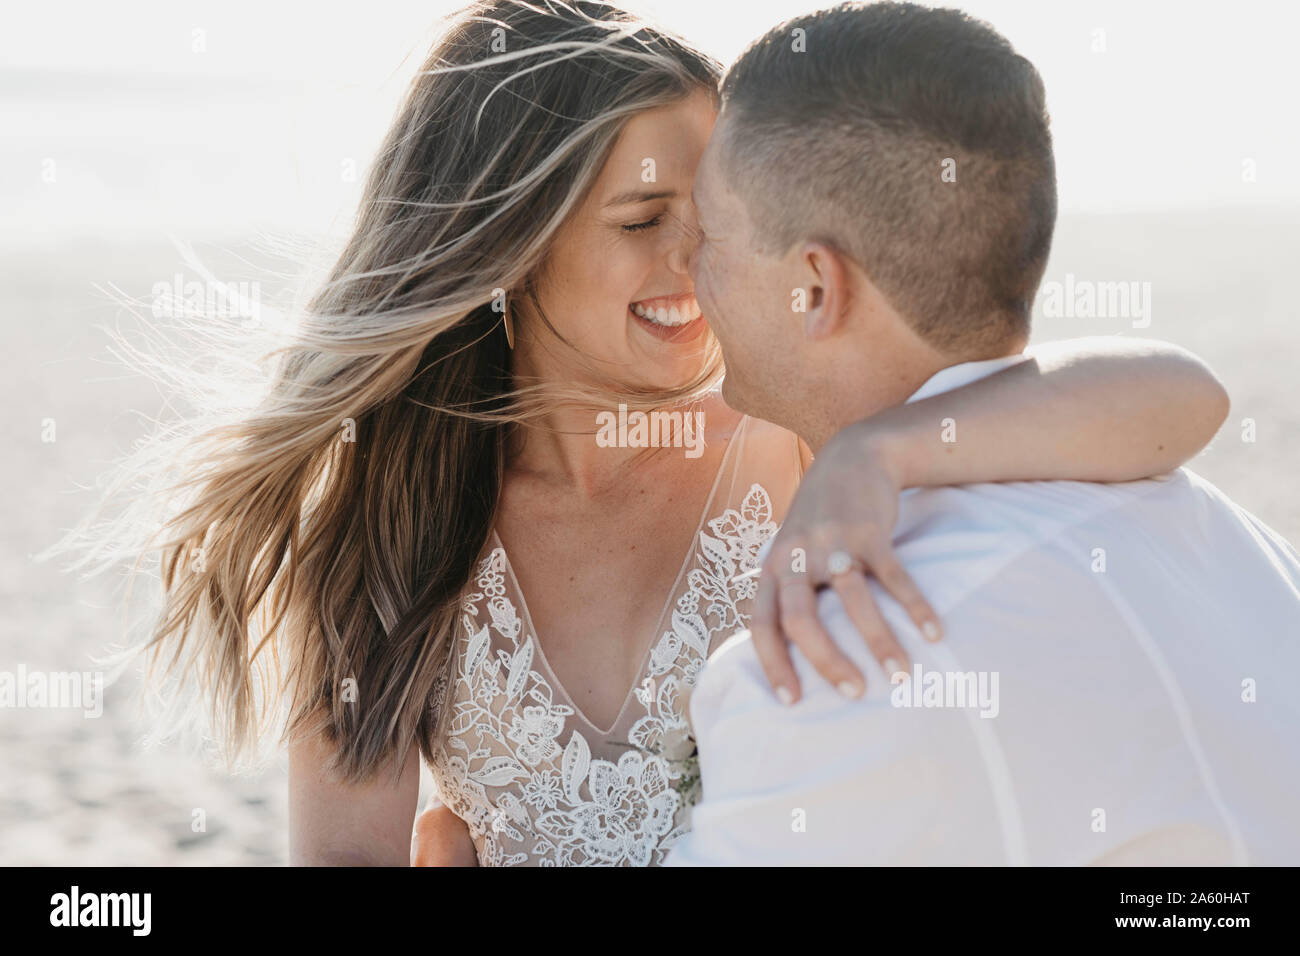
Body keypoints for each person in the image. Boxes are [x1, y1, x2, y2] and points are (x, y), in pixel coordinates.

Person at [49, 0, 1230, 869]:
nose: (698, 261)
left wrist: (885, 453)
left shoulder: (801, 435)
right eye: (643, 217)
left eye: (711, 213)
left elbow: (1178, 398)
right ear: (511, 239)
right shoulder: (380, 529)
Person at [665, 0, 1300, 866]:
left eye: (706, 234)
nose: (682, 264)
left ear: (813, 288)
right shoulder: (1234, 545)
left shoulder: (839, 665)